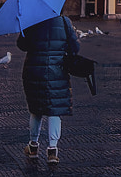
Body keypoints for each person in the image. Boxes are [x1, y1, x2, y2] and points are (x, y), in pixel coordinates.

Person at [18, 12, 80, 166]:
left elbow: (22, 45)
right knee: (54, 111)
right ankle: (53, 150)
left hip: (34, 70)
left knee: (36, 109)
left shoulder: (31, 20)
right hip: (56, 71)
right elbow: (75, 47)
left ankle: (33, 146)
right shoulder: (64, 22)